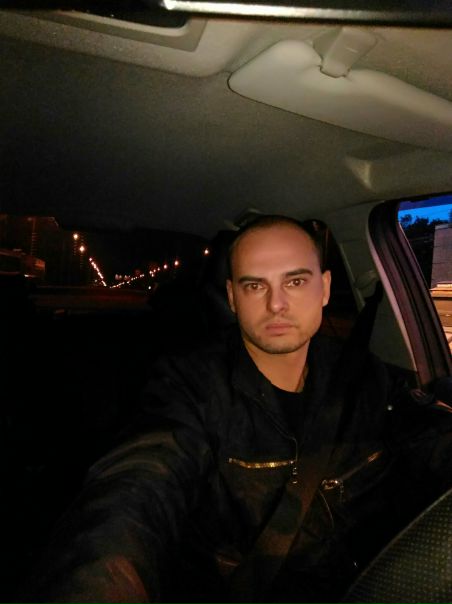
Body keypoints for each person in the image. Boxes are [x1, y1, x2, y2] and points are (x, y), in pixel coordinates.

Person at [21, 215, 452, 604]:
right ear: (231, 296)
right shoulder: (190, 386)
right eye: (255, 286)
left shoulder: (364, 376)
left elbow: (430, 437)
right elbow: (138, 486)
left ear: (324, 289)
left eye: (295, 282)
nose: (276, 304)